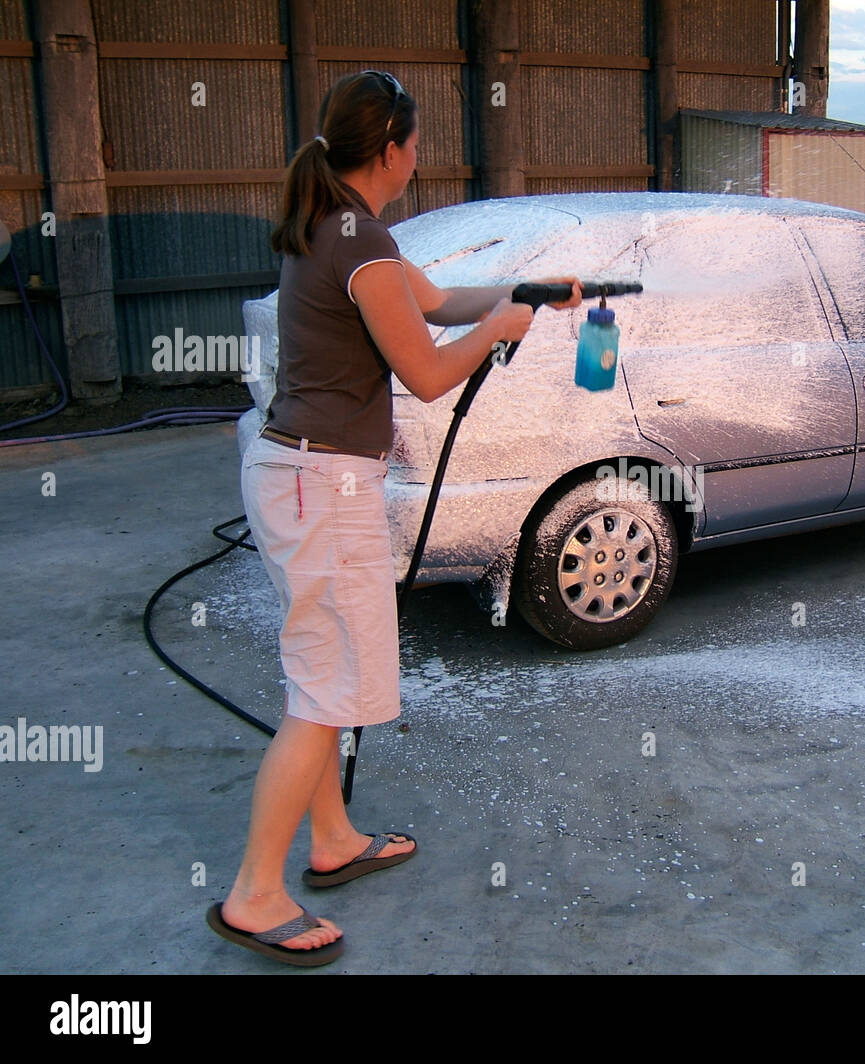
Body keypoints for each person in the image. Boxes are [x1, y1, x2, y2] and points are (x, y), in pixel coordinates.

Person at [205, 70, 580, 966]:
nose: (421, 157)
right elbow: (427, 370)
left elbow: (437, 300)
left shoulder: (332, 221)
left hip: (303, 474)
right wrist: (499, 332)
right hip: (320, 485)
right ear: (392, 150)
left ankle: (330, 839)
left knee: (327, 679)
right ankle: (255, 893)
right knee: (325, 690)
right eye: (417, 143)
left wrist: (521, 290)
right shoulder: (359, 241)